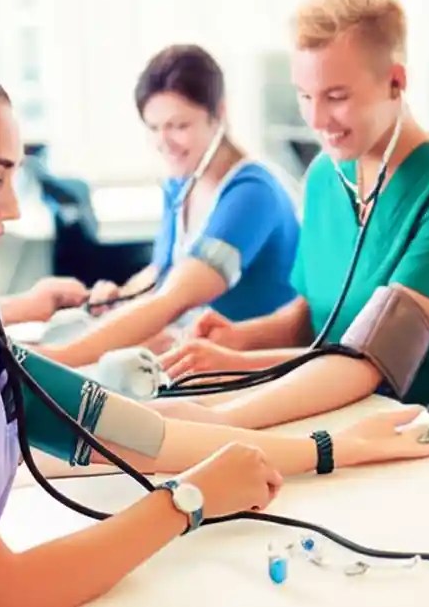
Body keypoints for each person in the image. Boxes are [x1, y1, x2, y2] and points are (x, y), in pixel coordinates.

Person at [0, 40, 429, 607]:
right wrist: (186, 501)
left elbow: (137, 429)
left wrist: (331, 448)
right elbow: (2, 598)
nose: (13, 210)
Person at [152, 0, 429, 431]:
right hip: (349, 417)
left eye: (336, 97)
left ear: (396, 82)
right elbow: (314, 320)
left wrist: (218, 418)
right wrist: (238, 341)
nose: (318, 121)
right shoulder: (326, 175)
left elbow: (372, 358)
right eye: (305, 96)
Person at [37, 45, 300, 367]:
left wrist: (56, 360)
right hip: (197, 353)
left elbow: (175, 297)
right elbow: (161, 272)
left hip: (250, 364)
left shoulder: (252, 194)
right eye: (153, 128)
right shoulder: (181, 181)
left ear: (219, 113)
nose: (164, 142)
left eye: (179, 126)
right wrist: (119, 297)